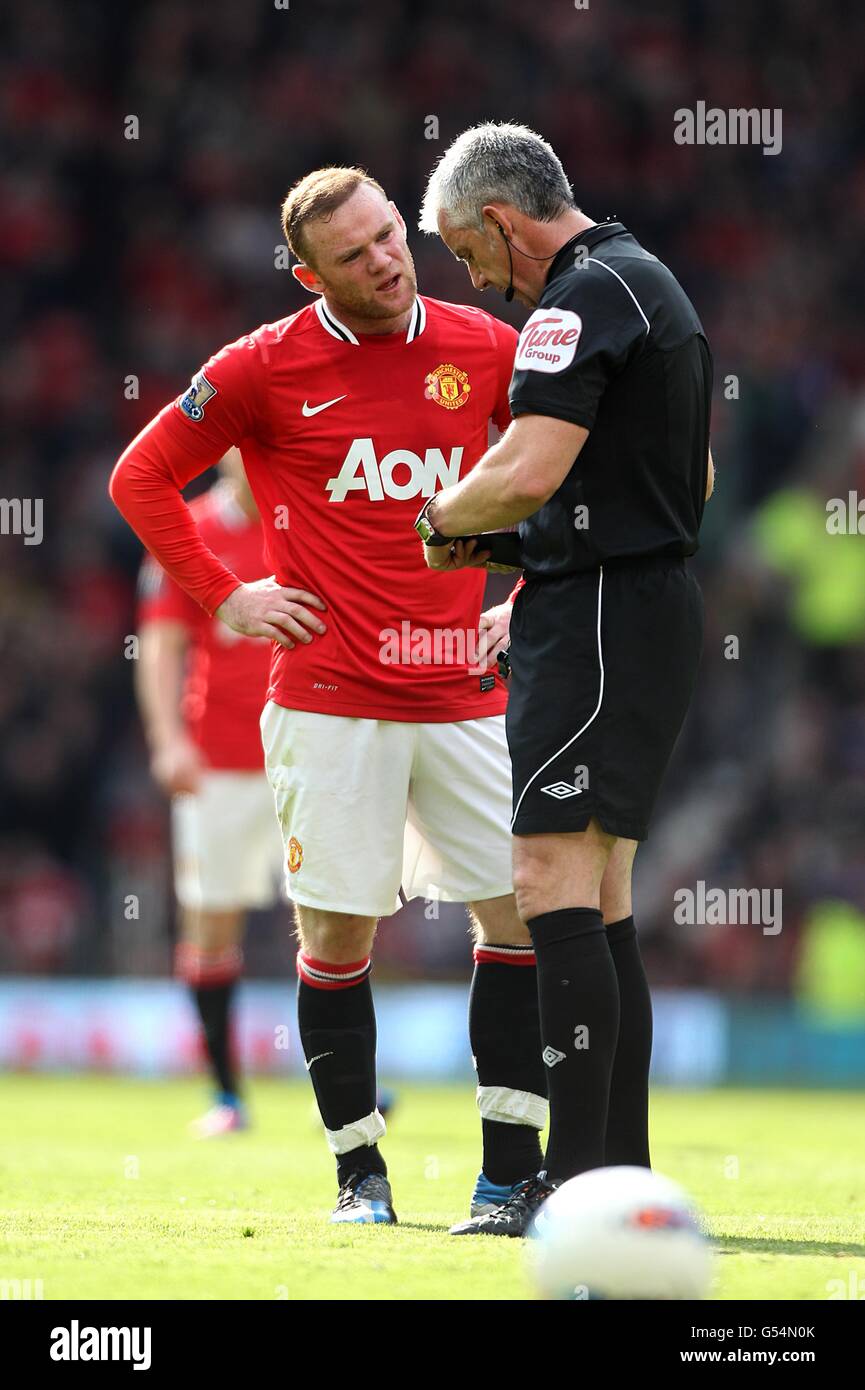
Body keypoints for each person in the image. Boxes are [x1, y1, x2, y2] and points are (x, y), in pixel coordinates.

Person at [110, 166, 549, 1226]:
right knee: (337, 942)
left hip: (459, 694)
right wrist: (226, 596)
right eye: (354, 255)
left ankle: (506, 1176)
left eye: (391, 235)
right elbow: (140, 477)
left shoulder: (485, 346)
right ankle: (360, 1178)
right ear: (309, 275)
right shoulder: (261, 366)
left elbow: (566, 477)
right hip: (329, 701)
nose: (386, 260)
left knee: (521, 921)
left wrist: (524, 594)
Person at [416, 123, 715, 1235]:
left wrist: (440, 522)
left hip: (596, 617)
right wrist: (532, 568)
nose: (468, 276)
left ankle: (571, 1183)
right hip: (632, 605)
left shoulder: (570, 301)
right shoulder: (646, 281)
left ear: (500, 222)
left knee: (545, 879)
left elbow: (527, 467)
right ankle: (620, 1179)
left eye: (462, 250)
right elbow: (694, 470)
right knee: (599, 892)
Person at [135, 448, 286, 1137]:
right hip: (220, 762)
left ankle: (356, 1085)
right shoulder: (187, 534)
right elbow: (161, 645)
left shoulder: (311, 521)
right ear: (229, 463)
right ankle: (228, 1096)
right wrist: (168, 739)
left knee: (341, 912)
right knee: (212, 924)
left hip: (308, 754)